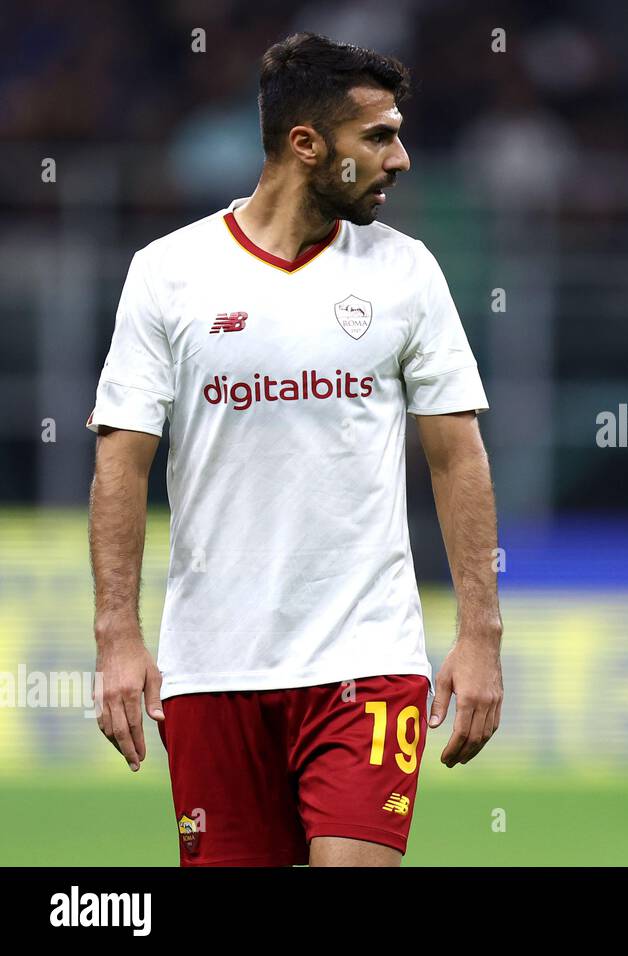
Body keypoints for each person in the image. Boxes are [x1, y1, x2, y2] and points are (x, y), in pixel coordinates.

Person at [85, 32, 503, 867]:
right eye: (378, 137)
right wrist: (117, 638)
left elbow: (457, 454)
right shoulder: (168, 274)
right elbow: (121, 463)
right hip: (214, 664)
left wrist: (481, 633)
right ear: (306, 145)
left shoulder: (406, 273)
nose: (402, 158)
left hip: (367, 656)